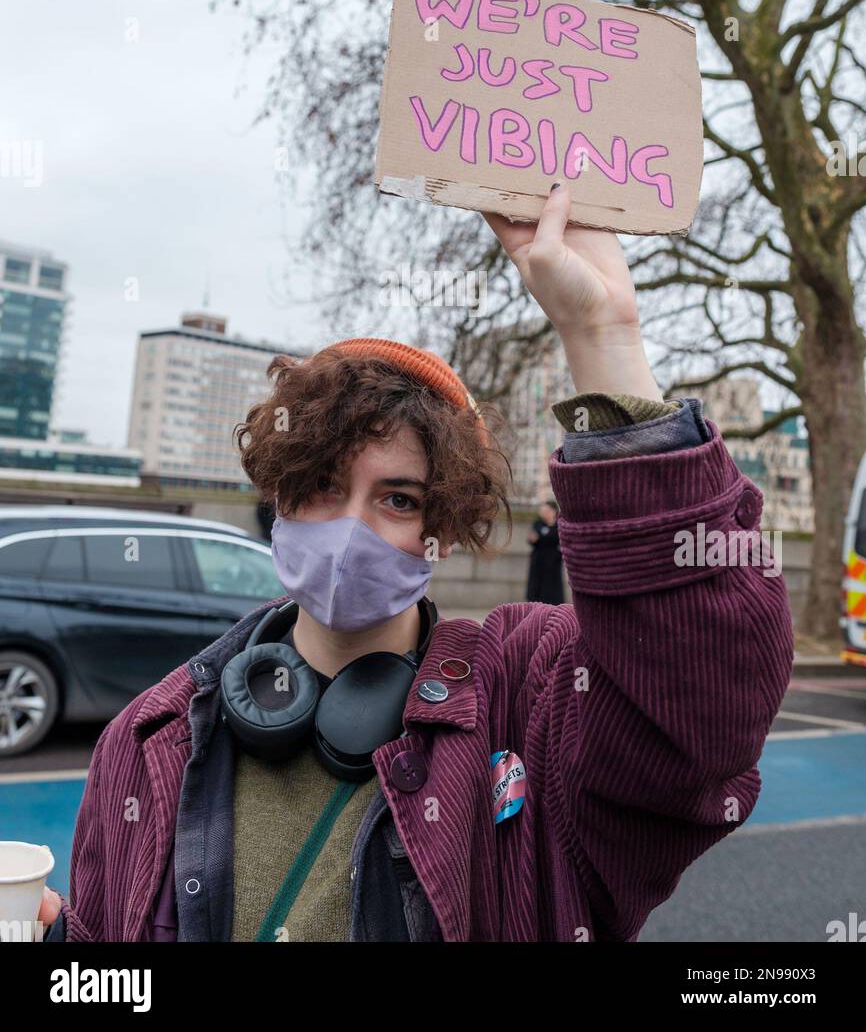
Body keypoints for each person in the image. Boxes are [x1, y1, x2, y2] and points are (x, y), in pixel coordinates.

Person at [37, 185, 794, 942]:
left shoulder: (525, 704)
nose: (351, 527)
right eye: (326, 486)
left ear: (444, 523)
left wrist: (604, 336)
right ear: (282, 498)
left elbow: (702, 697)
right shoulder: (145, 739)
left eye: (397, 499)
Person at [526, 500, 564, 605]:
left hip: (553, 561)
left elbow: (557, 539)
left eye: (546, 510)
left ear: (553, 511)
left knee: (552, 586)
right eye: (542, 510)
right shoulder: (538, 523)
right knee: (535, 585)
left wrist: (543, 536)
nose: (543, 513)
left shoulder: (559, 525)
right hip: (538, 559)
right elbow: (532, 539)